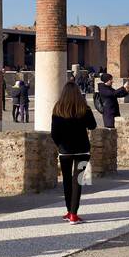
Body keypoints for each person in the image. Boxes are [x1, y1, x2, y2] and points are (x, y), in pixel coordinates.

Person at [50, 81, 96, 224]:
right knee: (78, 181)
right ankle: (73, 214)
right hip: (83, 150)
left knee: (67, 181)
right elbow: (93, 126)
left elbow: (54, 133)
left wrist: (60, 145)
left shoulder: (58, 109)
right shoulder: (84, 108)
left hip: (65, 151)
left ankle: (69, 210)